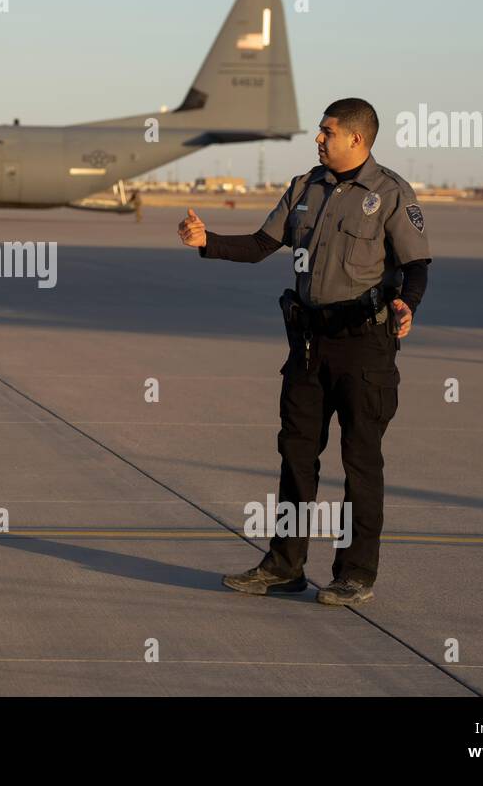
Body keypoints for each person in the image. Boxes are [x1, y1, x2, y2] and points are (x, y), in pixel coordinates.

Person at [179, 98, 431, 606]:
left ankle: (355, 573)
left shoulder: (388, 193)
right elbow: (259, 244)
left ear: (356, 139)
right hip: (309, 346)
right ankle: (284, 565)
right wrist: (208, 242)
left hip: (364, 347)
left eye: (327, 131)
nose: (318, 139)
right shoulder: (303, 188)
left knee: (361, 462)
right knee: (296, 456)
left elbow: (417, 263)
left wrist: (408, 302)